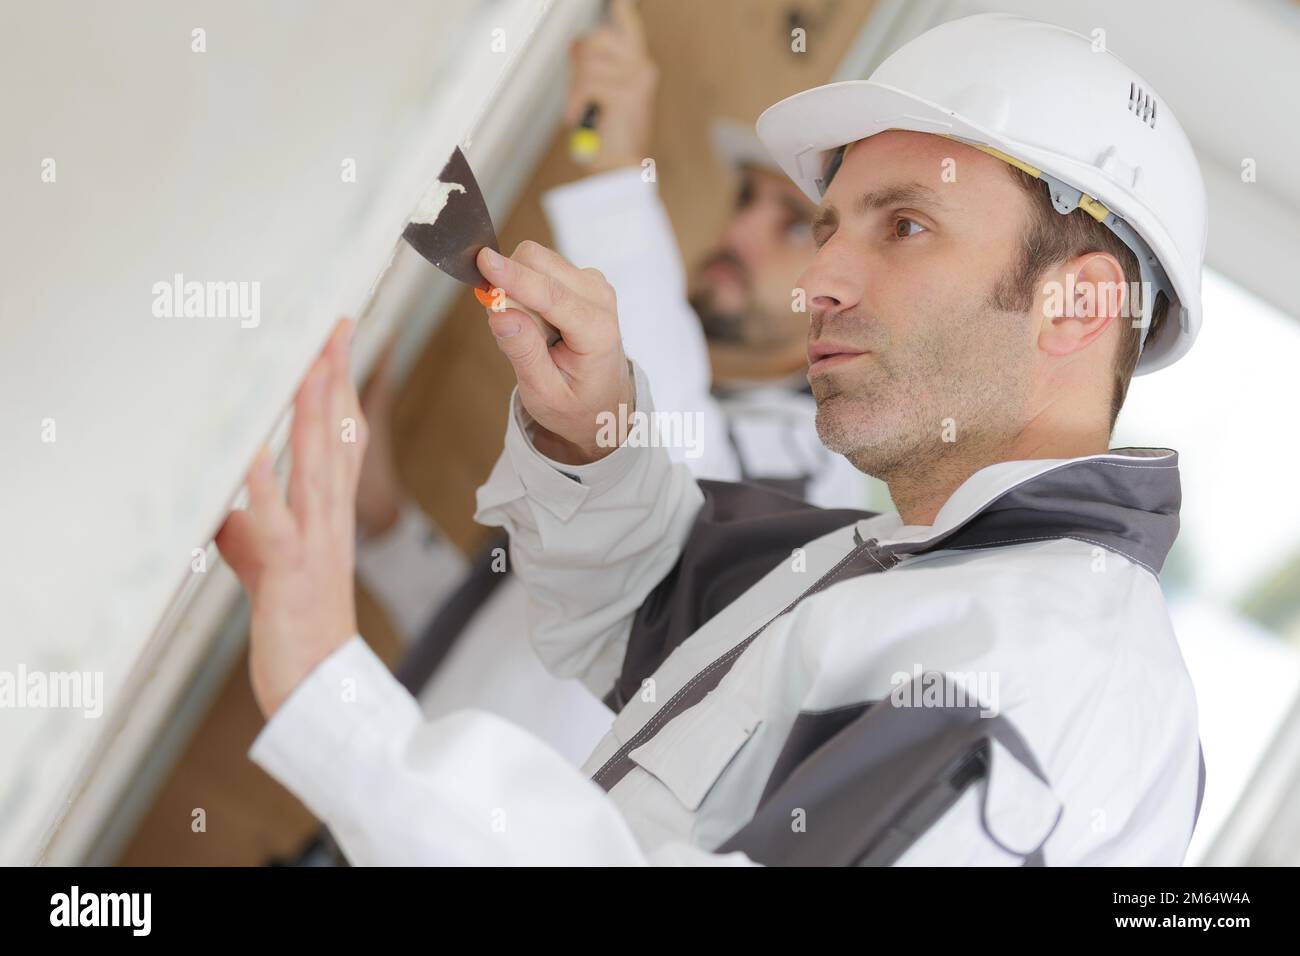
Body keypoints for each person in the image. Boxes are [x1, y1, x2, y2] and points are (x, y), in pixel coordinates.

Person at [219, 13, 1208, 865]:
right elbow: (642, 603)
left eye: (903, 225)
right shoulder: (896, 570)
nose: (818, 279)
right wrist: (593, 427)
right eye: (828, 229)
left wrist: (332, 696)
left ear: (1077, 303)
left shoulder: (1040, 671)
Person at [350, 0, 861, 768]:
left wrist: (617, 168)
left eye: (795, 227)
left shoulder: (810, 479)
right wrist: (386, 526)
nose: (737, 234)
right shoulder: (719, 414)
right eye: (745, 201)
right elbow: (534, 639)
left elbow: (673, 480)